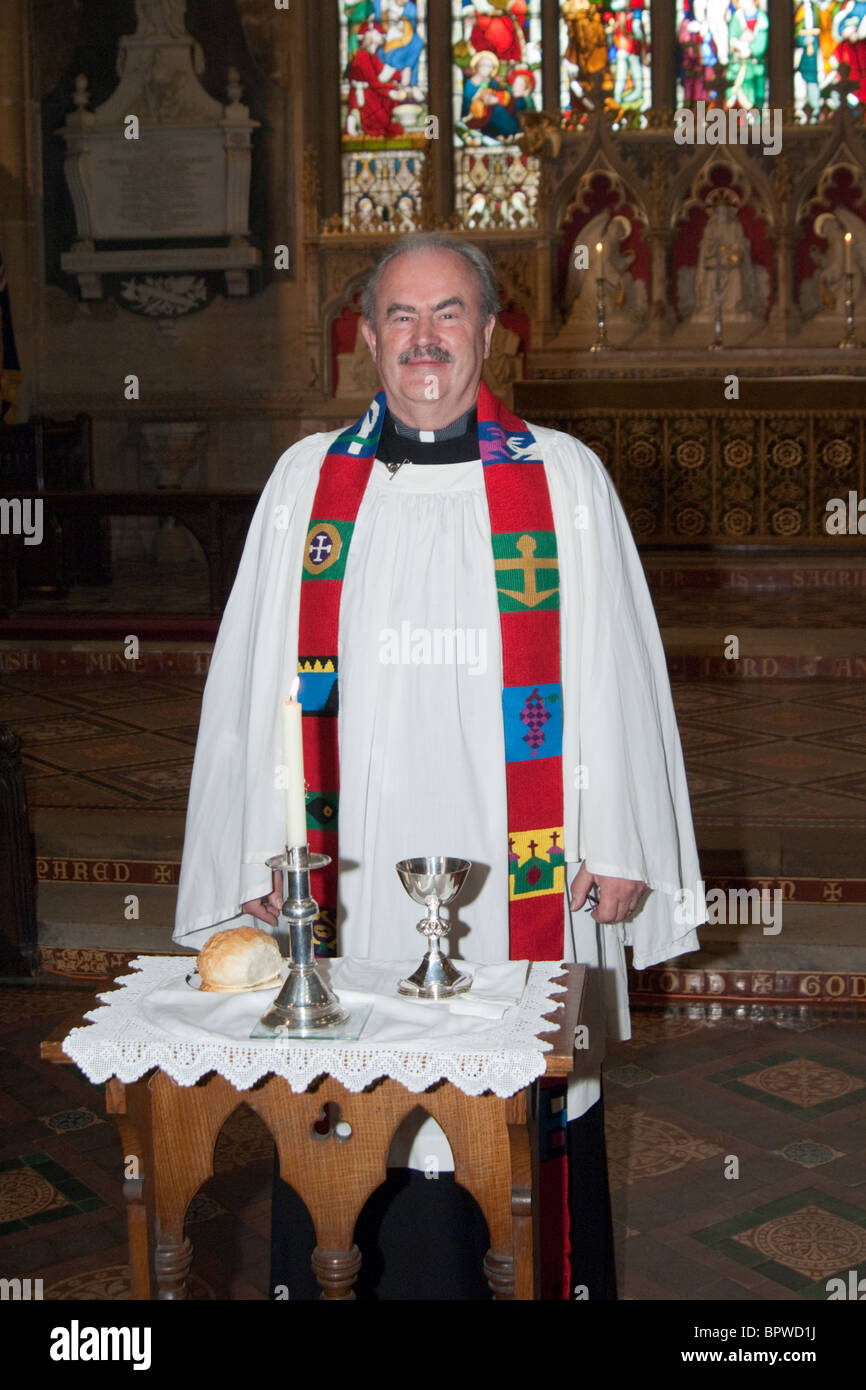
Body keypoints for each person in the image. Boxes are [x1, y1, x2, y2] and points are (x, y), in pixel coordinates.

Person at [174, 232, 704, 1300]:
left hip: (527, 865)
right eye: (401, 318)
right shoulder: (304, 483)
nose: (424, 339)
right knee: (343, 1093)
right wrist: (251, 850)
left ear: (491, 333)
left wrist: (623, 842)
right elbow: (244, 690)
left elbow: (618, 668)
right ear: (365, 338)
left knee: (509, 1110)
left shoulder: (561, 481)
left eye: (448, 313)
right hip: (344, 872)